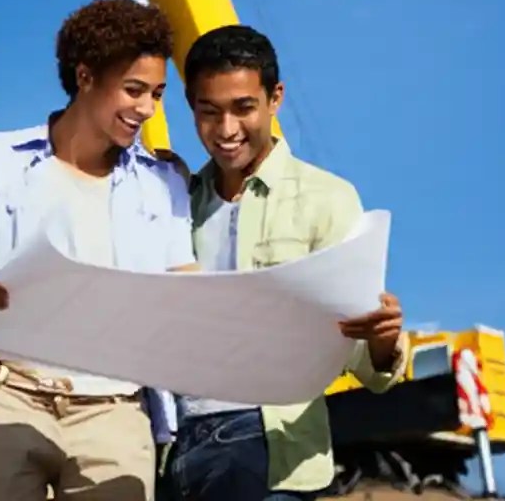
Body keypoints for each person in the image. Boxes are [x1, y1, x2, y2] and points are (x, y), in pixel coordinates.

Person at [0, 0, 197, 501]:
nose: (147, 109)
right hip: (7, 400)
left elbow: (185, 288)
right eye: (134, 90)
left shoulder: (164, 182)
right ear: (85, 76)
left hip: (117, 409)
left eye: (157, 94)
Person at [161, 25, 410, 501]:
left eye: (243, 108)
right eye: (208, 112)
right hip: (179, 447)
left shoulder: (327, 199)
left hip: (273, 445)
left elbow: (366, 362)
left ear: (275, 98)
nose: (227, 130)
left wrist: (382, 342)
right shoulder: (175, 203)